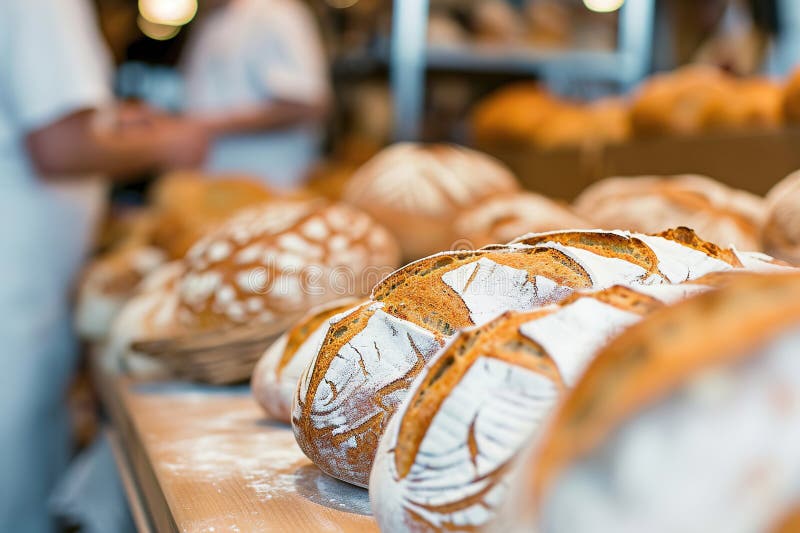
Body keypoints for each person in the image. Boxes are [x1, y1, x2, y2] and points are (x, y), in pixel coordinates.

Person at [0, 0, 208, 530]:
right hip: (17, 274)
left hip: (30, 272)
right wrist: (171, 140)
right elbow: (58, 146)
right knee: (14, 462)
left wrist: (115, 124)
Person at [182, 0, 331, 190]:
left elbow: (305, 105)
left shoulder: (274, 13)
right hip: (217, 190)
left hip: (274, 190)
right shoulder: (210, 22)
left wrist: (203, 127)